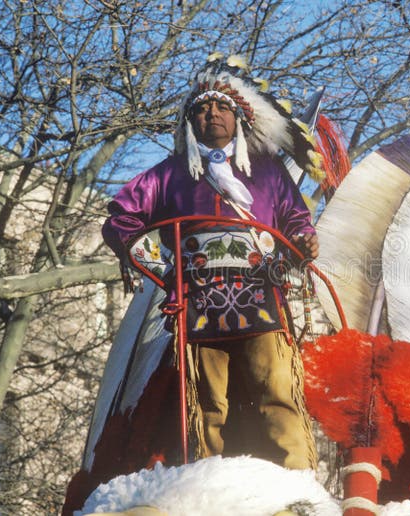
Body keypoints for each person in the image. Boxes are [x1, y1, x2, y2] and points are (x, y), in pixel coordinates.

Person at [100, 54, 324, 471]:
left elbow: (296, 219)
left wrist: (303, 241)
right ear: (190, 122)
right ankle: (205, 477)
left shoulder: (269, 171)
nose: (213, 114)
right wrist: (161, 268)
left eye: (223, 107)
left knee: (277, 388)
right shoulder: (169, 174)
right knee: (206, 401)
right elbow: (121, 220)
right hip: (197, 300)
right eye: (202, 109)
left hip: (261, 295)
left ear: (240, 118)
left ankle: (298, 477)